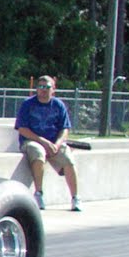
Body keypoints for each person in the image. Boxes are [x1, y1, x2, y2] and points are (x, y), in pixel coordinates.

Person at [15, 74, 82, 211]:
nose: (43, 90)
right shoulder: (28, 104)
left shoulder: (58, 105)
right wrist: (43, 142)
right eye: (40, 86)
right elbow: (22, 129)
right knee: (38, 152)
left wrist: (57, 144)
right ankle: (38, 193)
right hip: (32, 141)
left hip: (53, 143)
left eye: (47, 87)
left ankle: (75, 198)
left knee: (68, 158)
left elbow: (65, 129)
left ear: (53, 89)